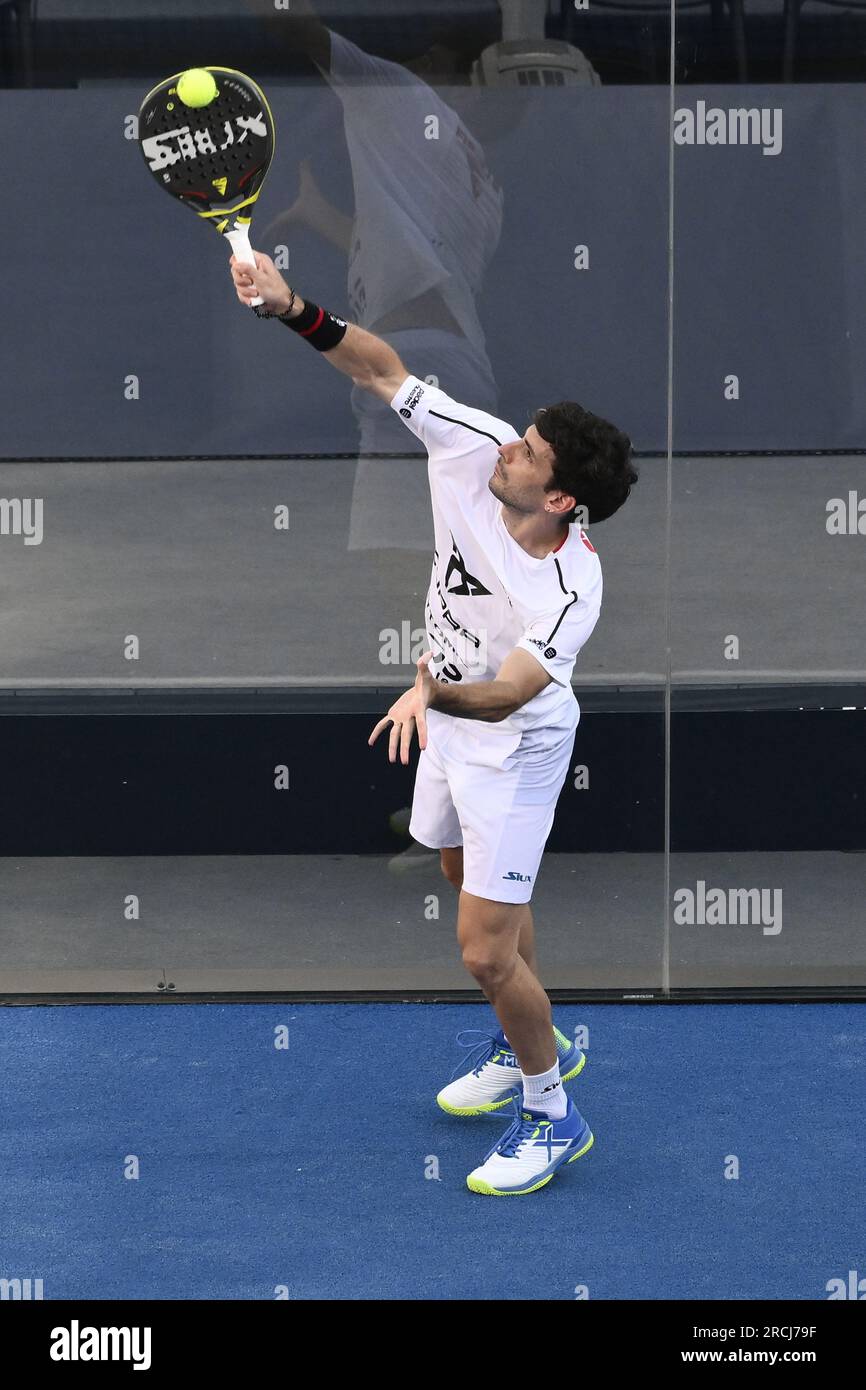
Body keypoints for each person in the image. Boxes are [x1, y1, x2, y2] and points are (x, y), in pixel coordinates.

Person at [230, 249, 638, 1196]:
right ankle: (528, 1042)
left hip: (512, 741)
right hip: (449, 714)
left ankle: (552, 1114)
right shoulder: (472, 444)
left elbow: (507, 696)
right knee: (461, 874)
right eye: (521, 435)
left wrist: (430, 690)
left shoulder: (572, 585)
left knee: (483, 947)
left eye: (529, 452)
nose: (509, 448)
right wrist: (292, 307)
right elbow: (380, 369)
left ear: (561, 498)